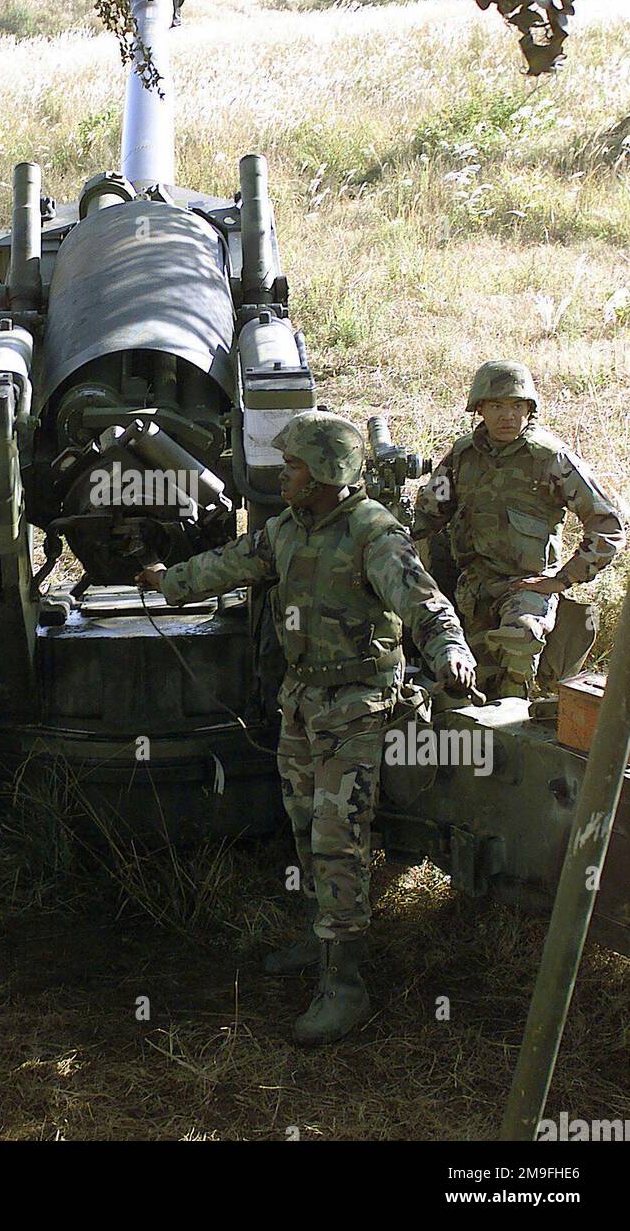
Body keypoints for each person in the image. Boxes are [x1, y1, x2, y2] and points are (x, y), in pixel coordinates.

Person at [136, 412, 476, 1047]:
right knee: (301, 821)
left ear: (325, 473)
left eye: (292, 465)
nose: (281, 475)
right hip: (301, 702)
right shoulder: (287, 529)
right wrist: (169, 582)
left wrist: (451, 650)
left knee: (337, 838)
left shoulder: (373, 533)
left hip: (356, 708)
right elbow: (229, 562)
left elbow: (422, 600)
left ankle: (345, 984)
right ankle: (318, 931)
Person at [412, 361, 626, 699]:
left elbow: (608, 526)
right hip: (475, 588)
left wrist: (562, 579)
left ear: (530, 409)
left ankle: (518, 717)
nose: (507, 416)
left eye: (517, 406)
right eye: (496, 406)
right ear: (479, 408)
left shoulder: (551, 458)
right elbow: (427, 517)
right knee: (470, 683)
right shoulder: (463, 456)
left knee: (519, 648)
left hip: (527, 586)